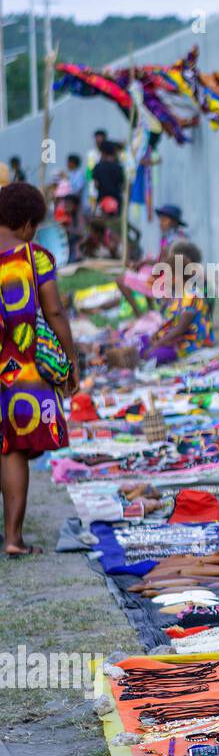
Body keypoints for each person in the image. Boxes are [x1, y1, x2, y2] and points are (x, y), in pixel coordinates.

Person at [0, 183, 77, 557]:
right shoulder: (34, 257)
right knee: (12, 449)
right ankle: (13, 539)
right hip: (23, 370)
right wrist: (71, 359)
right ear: (28, 224)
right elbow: (55, 313)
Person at [142, 240, 214, 363]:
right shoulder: (178, 295)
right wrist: (157, 335)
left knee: (151, 355)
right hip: (176, 340)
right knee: (142, 341)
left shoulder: (192, 297)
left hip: (191, 344)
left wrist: (157, 344)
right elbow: (171, 322)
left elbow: (180, 329)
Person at [92, 143, 125, 209]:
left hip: (102, 200)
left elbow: (96, 185)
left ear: (103, 153)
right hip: (116, 201)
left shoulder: (98, 167)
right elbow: (122, 186)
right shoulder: (119, 168)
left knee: (101, 219)